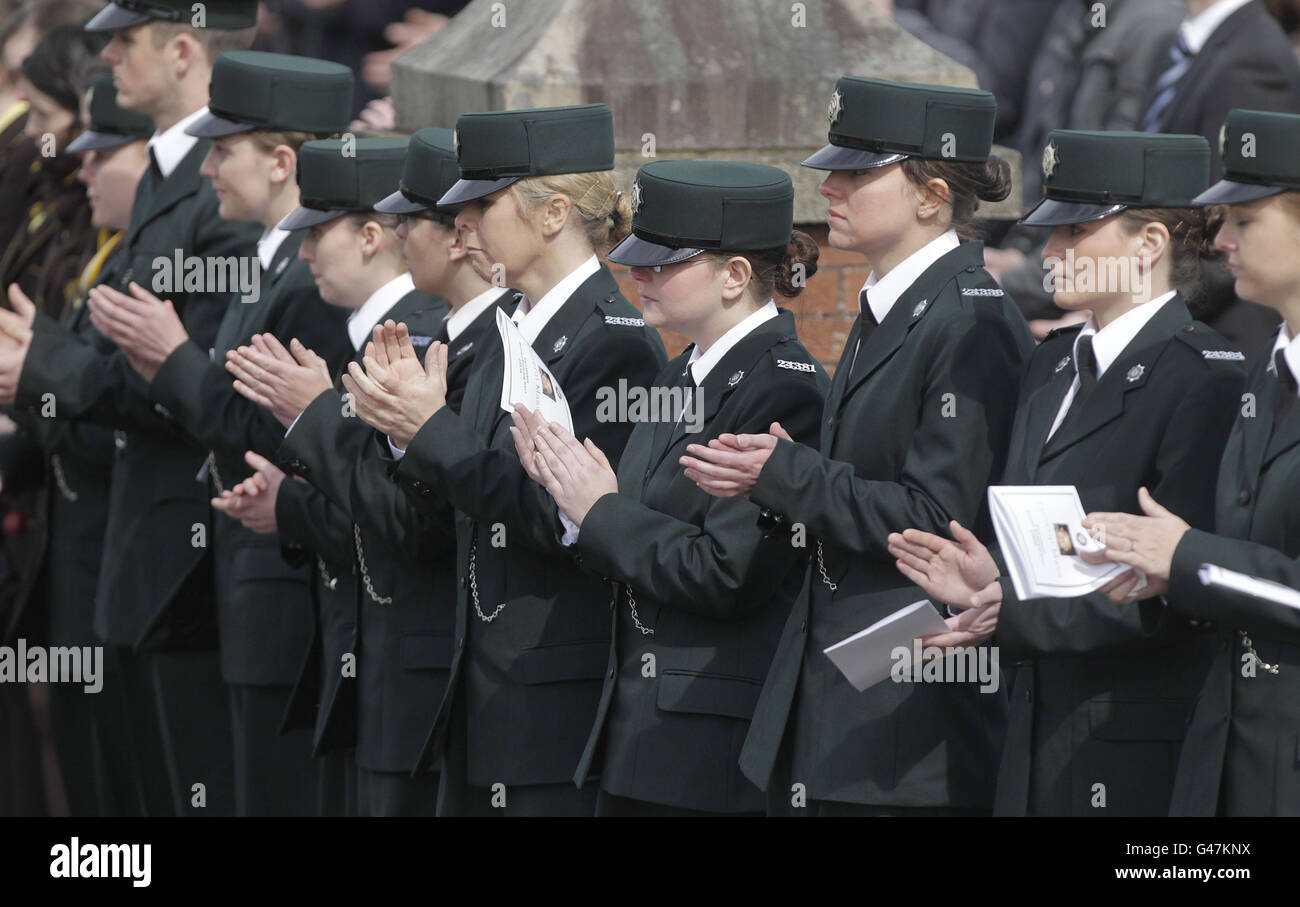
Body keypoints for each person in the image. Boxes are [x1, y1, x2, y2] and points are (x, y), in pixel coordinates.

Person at [681, 76, 1035, 816]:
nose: (829, 184)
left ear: (931, 195)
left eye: (858, 171)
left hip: (904, 729)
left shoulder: (971, 319)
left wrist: (785, 472)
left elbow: (940, 517)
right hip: (852, 704)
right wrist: (779, 474)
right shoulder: (899, 302)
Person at [887, 130, 1247, 816]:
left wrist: (1009, 612)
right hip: (1026, 727)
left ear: (1149, 247)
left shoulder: (1204, 377)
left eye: (1077, 231)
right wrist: (986, 576)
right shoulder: (1051, 362)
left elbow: (1178, 592)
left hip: (1127, 741)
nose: (1050, 254)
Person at [343, 102, 668, 816]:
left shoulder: (614, 343)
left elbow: (562, 520)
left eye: (484, 204)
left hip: (552, 702)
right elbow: (456, 502)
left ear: (552, 213)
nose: (465, 224)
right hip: (481, 690)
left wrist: (429, 431)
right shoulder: (505, 329)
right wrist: (404, 433)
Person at [0, 0, 263, 817]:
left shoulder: (214, 193)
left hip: (189, 565)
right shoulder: (171, 174)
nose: (107, 57)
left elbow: (191, 382)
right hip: (140, 557)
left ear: (183, 50)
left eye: (125, 42)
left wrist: (45, 367)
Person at [508, 160, 829, 816]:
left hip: (708, 740)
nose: (638, 275)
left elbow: (730, 571)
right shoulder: (679, 372)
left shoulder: (785, 388)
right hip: (639, 727)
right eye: (637, 259)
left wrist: (600, 511)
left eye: (663, 263)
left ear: (735, 275)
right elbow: (630, 525)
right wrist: (575, 500)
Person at [84, 50, 355, 817]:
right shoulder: (272, 268)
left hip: (283, 599)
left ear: (280, 162)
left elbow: (270, 437)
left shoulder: (308, 283)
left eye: (224, 151)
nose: (206, 171)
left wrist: (171, 359)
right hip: (246, 594)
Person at [1084, 108, 1300, 815]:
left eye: (1246, 218)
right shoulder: (1270, 371)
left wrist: (1188, 557)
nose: (1222, 238)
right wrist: (1165, 568)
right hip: (1230, 755)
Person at [0, 73, 153, 817]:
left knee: (128, 774)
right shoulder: (100, 250)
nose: (80, 166)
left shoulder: (153, 260)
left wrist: (37, 375)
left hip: (119, 562)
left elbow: (138, 408)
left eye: (104, 154)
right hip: (75, 555)